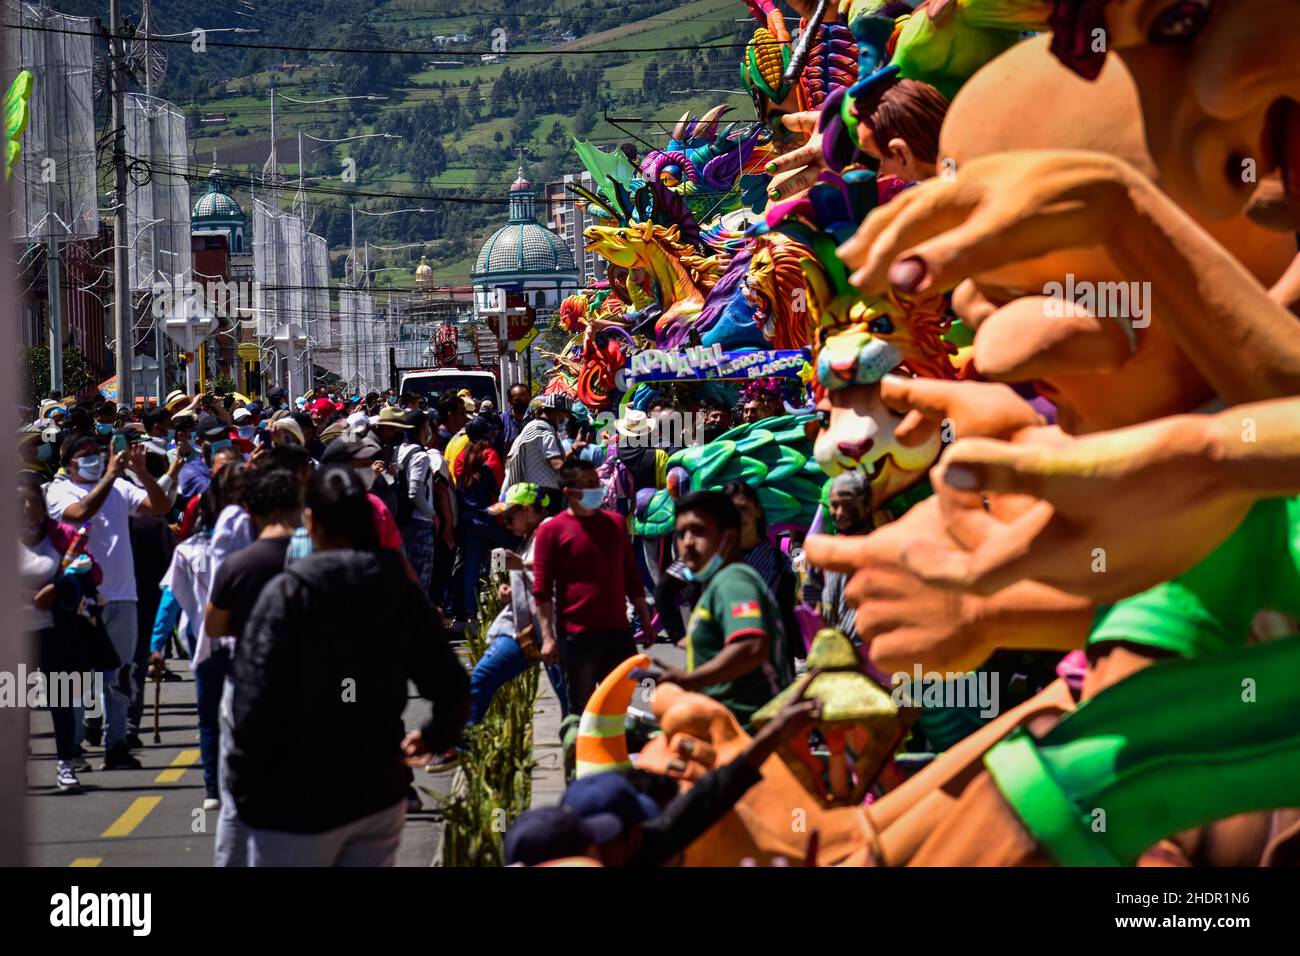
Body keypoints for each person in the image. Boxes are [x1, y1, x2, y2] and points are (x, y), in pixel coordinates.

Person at [226, 467, 470, 866]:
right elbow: (453, 689)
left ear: (311, 521)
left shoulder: (286, 593)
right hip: (377, 795)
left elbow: (251, 702)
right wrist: (432, 737)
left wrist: (247, 792)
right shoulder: (396, 588)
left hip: (297, 802)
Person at [506, 677, 821, 867]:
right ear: (593, 847)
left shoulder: (636, 851)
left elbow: (709, 797)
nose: (643, 834)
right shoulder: (628, 851)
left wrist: (776, 732)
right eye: (631, 830)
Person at [45, 436, 171, 769]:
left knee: (120, 676)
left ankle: (115, 745)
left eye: (98, 455)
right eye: (86, 456)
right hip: (80, 599)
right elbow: (80, 512)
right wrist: (110, 477)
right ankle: (71, 749)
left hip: (123, 596)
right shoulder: (60, 493)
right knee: (77, 678)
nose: (95, 460)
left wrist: (143, 474)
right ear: (69, 462)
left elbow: (160, 507)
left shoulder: (120, 488)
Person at [653, 491, 793, 731]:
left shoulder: (733, 580)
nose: (687, 542)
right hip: (727, 730)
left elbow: (751, 646)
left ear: (728, 537)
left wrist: (691, 679)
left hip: (750, 734)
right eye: (681, 533)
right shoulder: (714, 584)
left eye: (699, 531)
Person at [533, 461, 653, 715]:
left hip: (618, 632)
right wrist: (547, 637)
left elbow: (631, 574)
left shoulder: (617, 524)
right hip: (577, 636)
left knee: (619, 707)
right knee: (581, 711)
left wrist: (645, 615)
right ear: (568, 492)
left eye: (596, 483)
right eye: (587, 485)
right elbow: (542, 590)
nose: (596, 489)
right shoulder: (551, 531)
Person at [19, 471, 114, 791]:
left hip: (54, 634)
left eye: (33, 499)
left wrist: (58, 587)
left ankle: (66, 765)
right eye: (20, 500)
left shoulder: (61, 536)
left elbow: (93, 573)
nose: (27, 506)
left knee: (60, 704)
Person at [454, 415, 513, 618]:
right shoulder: (490, 455)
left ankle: (470, 612)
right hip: (492, 520)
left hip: (468, 520)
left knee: (470, 566)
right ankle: (499, 602)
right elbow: (501, 488)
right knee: (501, 556)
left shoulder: (461, 457)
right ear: (486, 433)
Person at [801, 471, 872, 638]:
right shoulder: (824, 552)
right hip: (834, 652)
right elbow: (814, 604)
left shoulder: (883, 550)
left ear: (867, 505)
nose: (840, 513)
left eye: (848, 505)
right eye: (834, 505)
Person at [504, 392, 569, 492]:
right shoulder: (543, 431)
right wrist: (580, 479)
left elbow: (509, 460)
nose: (565, 420)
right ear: (558, 412)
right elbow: (557, 463)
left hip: (523, 492)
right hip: (539, 495)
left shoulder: (532, 427)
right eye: (565, 415)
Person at [500, 382, 531, 454]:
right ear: (510, 400)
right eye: (517, 400)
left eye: (525, 399)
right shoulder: (501, 421)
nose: (522, 402)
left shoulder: (535, 420)